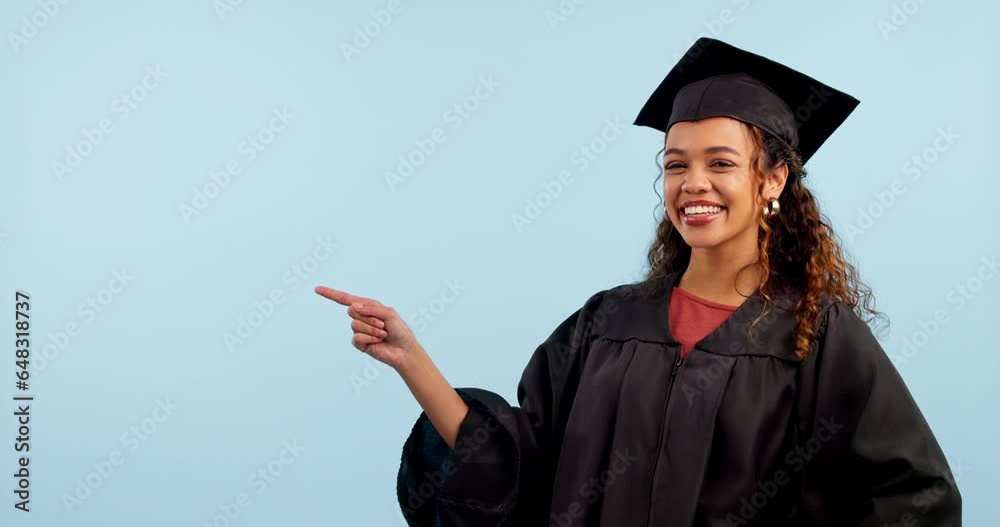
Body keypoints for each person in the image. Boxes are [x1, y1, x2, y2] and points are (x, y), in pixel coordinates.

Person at [315, 38, 961, 526]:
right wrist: (412, 361)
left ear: (773, 180)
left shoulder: (814, 334)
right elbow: (519, 463)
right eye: (676, 163)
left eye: (722, 162)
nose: (694, 183)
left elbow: (911, 497)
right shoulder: (607, 323)